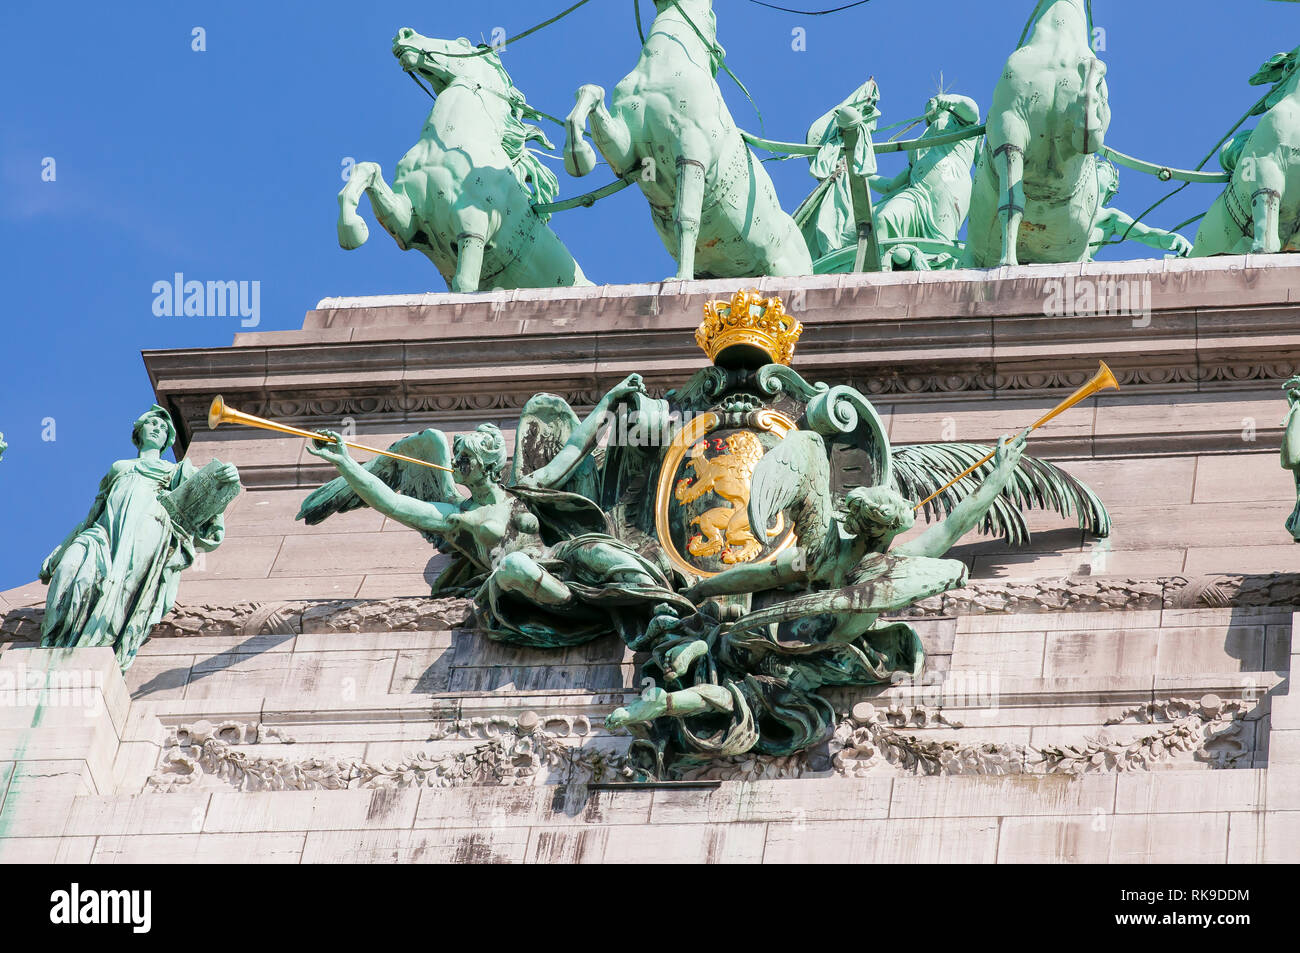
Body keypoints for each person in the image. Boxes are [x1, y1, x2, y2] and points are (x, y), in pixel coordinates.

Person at [305, 375, 694, 648]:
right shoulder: (456, 516)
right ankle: (584, 609)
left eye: (466, 457)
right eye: (457, 458)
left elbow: (574, 448)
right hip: (523, 586)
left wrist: (609, 399)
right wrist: (345, 463)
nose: (458, 463)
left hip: (559, 562)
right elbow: (393, 503)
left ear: (489, 464)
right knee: (515, 568)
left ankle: (660, 605)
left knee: (598, 549)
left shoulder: (524, 490)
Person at [40, 406, 233, 669]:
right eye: (152, 424)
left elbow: (204, 503)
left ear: (168, 440)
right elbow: (92, 515)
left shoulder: (174, 471)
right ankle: (52, 644)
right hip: (102, 533)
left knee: (123, 589)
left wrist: (226, 477)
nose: (157, 429)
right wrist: (63, 548)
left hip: (147, 532)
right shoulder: (119, 467)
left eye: (164, 428)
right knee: (69, 571)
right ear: (139, 431)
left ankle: (99, 646)